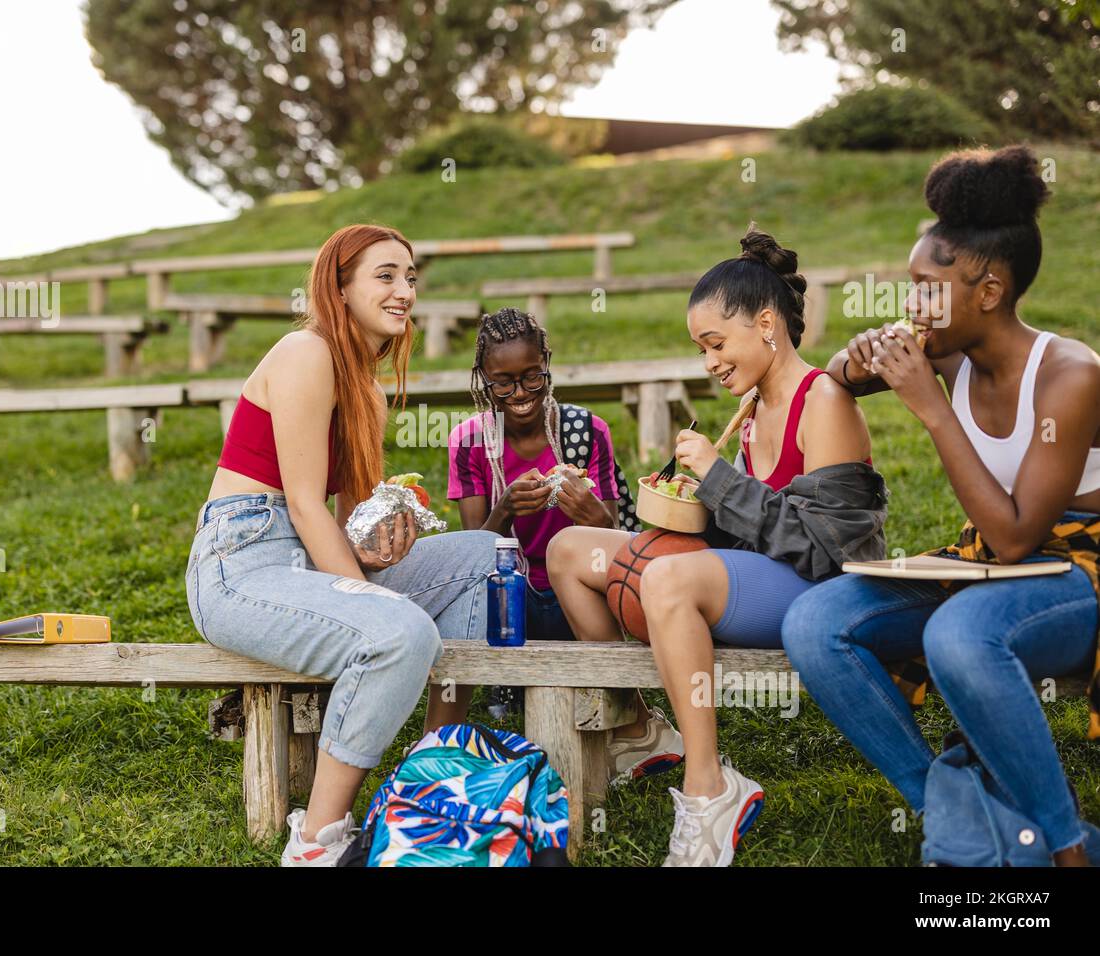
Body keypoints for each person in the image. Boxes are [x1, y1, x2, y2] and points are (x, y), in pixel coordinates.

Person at [782, 145, 1100, 866]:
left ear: (988, 292)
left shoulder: (1070, 376)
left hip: (1077, 572)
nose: (911, 305)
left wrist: (931, 409)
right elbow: (839, 375)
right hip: (988, 568)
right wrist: (853, 360)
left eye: (929, 288)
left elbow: (1019, 537)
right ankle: (958, 815)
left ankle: (1065, 846)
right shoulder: (950, 356)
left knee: (958, 636)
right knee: (816, 621)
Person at [547, 225, 887, 866]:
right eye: (701, 349)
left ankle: (710, 786)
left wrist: (720, 478)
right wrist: (683, 500)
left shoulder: (826, 403)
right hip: (760, 576)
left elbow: (827, 548)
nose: (709, 363)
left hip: (823, 592)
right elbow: (742, 529)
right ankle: (639, 730)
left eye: (715, 343)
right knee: (570, 551)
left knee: (667, 580)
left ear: (766, 324)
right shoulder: (754, 407)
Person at [184, 224, 498, 867]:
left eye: (410, 277)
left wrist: (381, 541)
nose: (404, 291)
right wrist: (363, 592)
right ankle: (317, 840)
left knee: (484, 559)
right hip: (244, 563)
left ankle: (431, 771)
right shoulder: (306, 353)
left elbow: (351, 521)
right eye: (385, 276)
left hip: (307, 558)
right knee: (399, 632)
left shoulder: (365, 390)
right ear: (340, 287)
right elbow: (302, 502)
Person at [446, 307, 632, 645]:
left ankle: (614, 689)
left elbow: (610, 549)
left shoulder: (586, 431)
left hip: (579, 591)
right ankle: (505, 683)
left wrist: (594, 516)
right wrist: (505, 510)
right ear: (483, 378)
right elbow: (474, 561)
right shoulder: (470, 441)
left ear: (546, 362)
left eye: (532, 376)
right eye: (503, 383)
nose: (519, 393)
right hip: (513, 598)